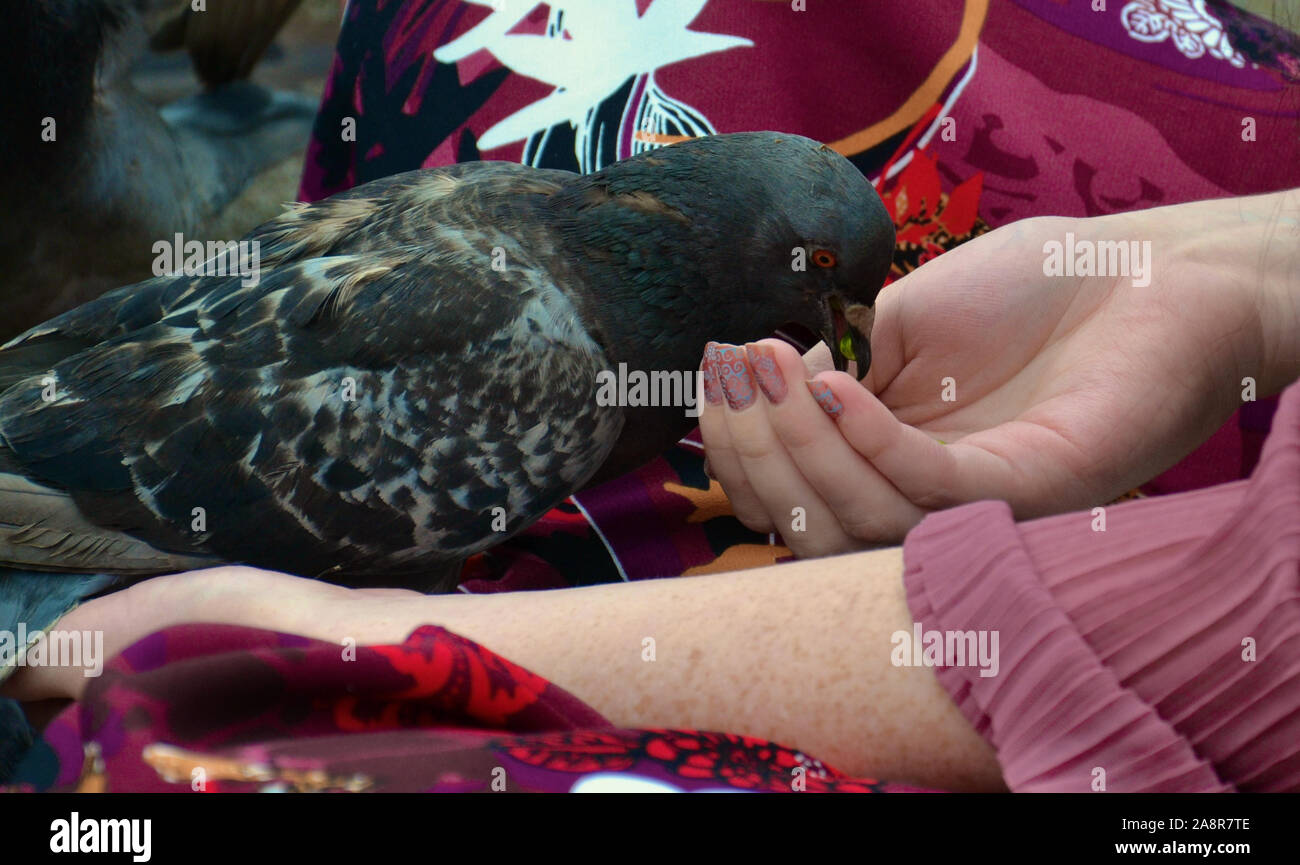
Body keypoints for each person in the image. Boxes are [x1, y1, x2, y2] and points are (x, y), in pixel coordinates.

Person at [7, 187, 1298, 792]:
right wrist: (1211, 272)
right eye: (823, 288)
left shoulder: (518, 214)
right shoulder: (538, 361)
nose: (839, 329)